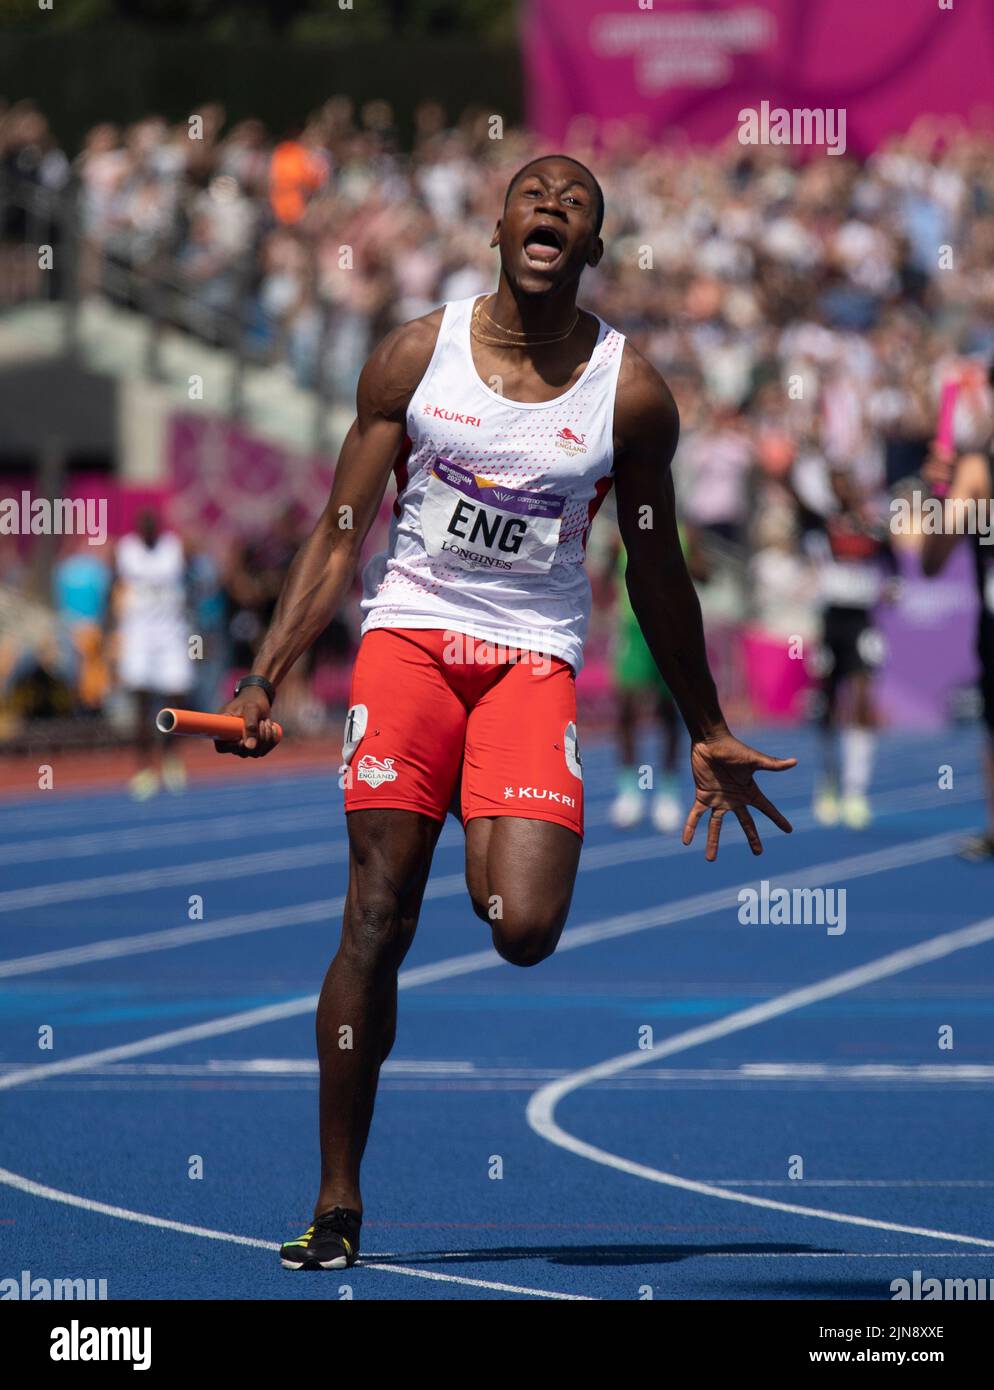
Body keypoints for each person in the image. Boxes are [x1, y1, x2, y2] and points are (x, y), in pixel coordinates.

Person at [214, 155, 797, 1270]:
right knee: (377, 916)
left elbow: (655, 565)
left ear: (591, 250)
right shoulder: (412, 357)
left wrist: (704, 723)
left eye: (575, 205)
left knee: (521, 926)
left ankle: (488, 850)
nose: (552, 209)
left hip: (531, 659)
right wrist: (264, 674)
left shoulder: (628, 393)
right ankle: (338, 1202)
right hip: (410, 641)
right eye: (535, 194)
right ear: (497, 225)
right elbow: (341, 531)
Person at [798, 465, 897, 829]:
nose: (843, 491)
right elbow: (796, 498)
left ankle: (856, 791)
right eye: (836, 485)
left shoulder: (872, 526)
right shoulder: (820, 524)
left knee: (862, 694)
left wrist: (892, 589)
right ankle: (827, 781)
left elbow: (894, 564)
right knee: (826, 703)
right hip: (829, 621)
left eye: (847, 484)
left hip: (861, 621)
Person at [921, 437, 994, 861]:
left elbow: (934, 560)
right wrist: (941, 495)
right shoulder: (978, 469)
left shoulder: (977, 469)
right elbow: (933, 560)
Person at [608, 525, 708, 832]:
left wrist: (681, 564)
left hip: (670, 629)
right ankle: (631, 788)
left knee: (668, 712)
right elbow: (607, 573)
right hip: (633, 629)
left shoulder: (686, 534)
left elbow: (706, 575)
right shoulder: (619, 534)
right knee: (626, 708)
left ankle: (666, 791)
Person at [112, 508, 193, 800]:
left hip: (171, 631)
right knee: (141, 700)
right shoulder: (126, 551)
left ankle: (172, 756)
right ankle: (144, 766)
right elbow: (114, 586)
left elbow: (193, 577)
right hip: (139, 633)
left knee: (176, 695)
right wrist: (113, 630)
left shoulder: (173, 547)